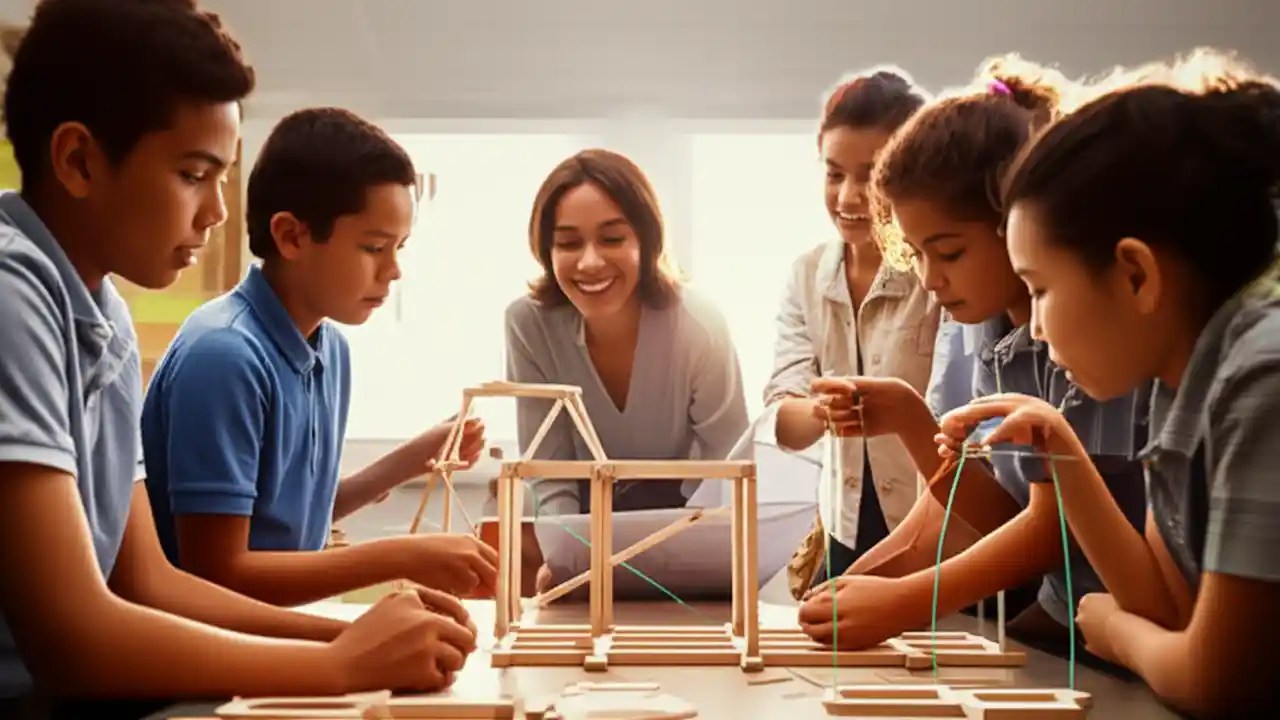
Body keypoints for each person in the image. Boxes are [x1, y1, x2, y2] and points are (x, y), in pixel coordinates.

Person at [0, 2, 473, 717]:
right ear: (77, 160)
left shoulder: (106, 314)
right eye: (194, 174)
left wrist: (343, 643)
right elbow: (71, 641)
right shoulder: (12, 296)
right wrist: (340, 663)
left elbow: (148, 581)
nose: (218, 212)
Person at [937, 50, 1280, 717]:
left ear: (1134, 276)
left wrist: (1118, 635)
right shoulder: (1180, 373)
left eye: (1039, 289)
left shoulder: (1262, 379)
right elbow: (1169, 604)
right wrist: (1059, 449)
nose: (1034, 329)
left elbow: (1218, 680)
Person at [798, 56, 1147, 660]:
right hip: (1072, 621)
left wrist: (906, 599)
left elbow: (1053, 524)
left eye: (950, 253)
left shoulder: (1085, 333)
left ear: (1013, 224)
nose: (931, 280)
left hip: (1126, 626)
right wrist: (911, 420)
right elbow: (990, 507)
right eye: (917, 255)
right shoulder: (982, 326)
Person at [141, 107, 498, 607]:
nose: (393, 271)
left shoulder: (330, 349)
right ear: (291, 237)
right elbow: (217, 572)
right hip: (205, 659)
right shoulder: (224, 356)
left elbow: (296, 518)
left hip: (272, 640)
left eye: (400, 247)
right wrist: (402, 556)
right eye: (374, 247)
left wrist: (414, 459)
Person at [505, 148, 749, 585]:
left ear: (646, 240)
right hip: (582, 532)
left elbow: (729, 470)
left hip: (689, 534)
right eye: (568, 242)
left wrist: (694, 557)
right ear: (546, 251)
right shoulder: (528, 324)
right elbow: (547, 468)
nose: (590, 262)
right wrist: (565, 560)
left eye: (612, 238)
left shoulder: (700, 324)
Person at [764, 68, 938, 598]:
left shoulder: (940, 275)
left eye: (871, 175)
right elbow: (783, 421)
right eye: (834, 173)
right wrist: (823, 411)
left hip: (933, 526)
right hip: (846, 529)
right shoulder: (806, 273)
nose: (848, 196)